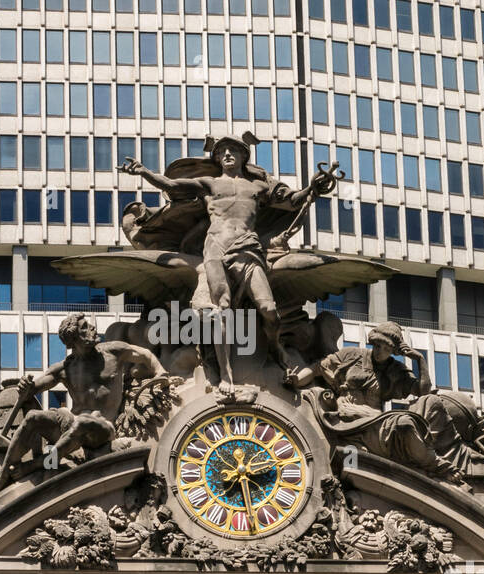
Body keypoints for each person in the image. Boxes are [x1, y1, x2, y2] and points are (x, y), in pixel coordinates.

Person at [122, 135, 332, 390]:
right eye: (222, 152)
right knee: (220, 312)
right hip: (216, 248)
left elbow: (293, 201)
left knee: (269, 311)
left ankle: (276, 346)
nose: (227, 155)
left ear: (244, 156)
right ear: (217, 158)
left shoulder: (258, 187)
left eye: (233, 150)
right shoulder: (210, 184)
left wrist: (314, 188)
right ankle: (225, 374)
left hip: (248, 249)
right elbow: (172, 186)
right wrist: (144, 172)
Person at [0, 313, 165, 497]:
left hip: (103, 429)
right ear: (73, 340)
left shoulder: (113, 351)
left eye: (88, 324)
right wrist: (26, 386)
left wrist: (160, 371)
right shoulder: (66, 368)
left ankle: (38, 464)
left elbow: (145, 355)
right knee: (33, 418)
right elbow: (35, 388)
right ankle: (2, 475)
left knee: (84, 422)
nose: (92, 328)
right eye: (84, 327)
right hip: (70, 423)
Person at [292, 320, 477, 483]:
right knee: (405, 423)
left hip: (376, 419)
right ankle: (437, 464)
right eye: (379, 346)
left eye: (387, 349)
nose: (380, 352)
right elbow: (317, 368)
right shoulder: (352, 355)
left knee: (410, 420)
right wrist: (296, 379)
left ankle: (431, 461)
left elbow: (423, 390)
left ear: (394, 351)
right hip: (348, 416)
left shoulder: (395, 370)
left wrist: (420, 360)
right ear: (374, 342)